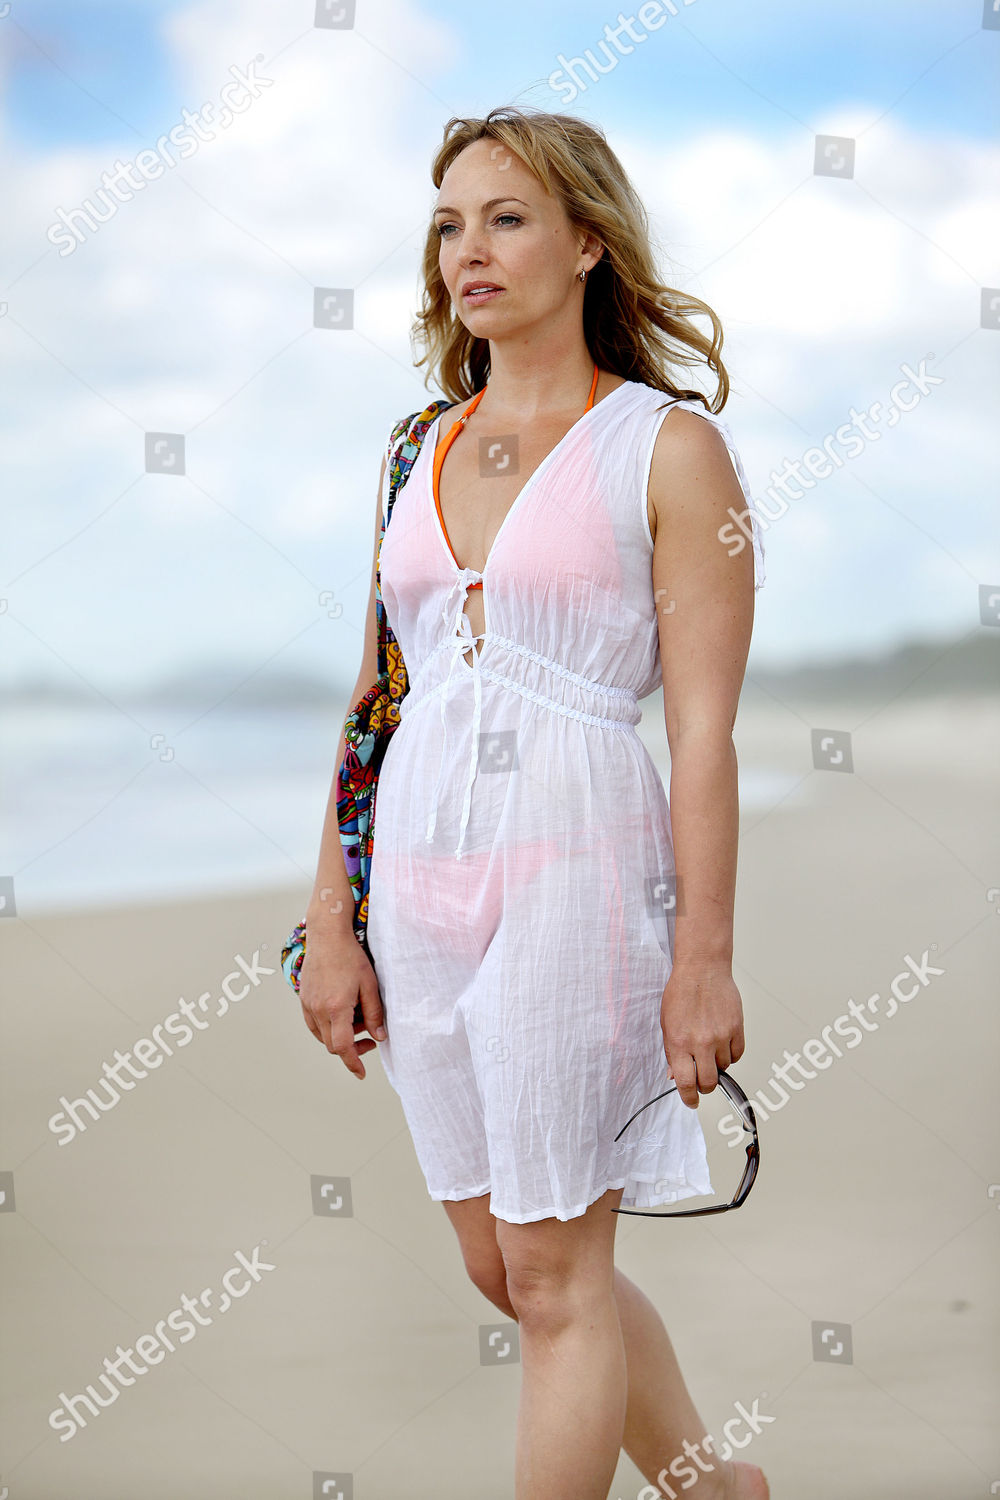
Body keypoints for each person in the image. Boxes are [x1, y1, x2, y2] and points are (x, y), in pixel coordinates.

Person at [298, 105, 769, 1500]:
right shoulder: (414, 447)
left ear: (586, 242)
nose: (468, 251)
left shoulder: (666, 450)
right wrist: (332, 918)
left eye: (505, 218)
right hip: (424, 894)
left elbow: (702, 734)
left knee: (562, 1275)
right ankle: (710, 1488)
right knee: (509, 1267)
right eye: (449, 223)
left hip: (577, 873)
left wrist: (704, 961)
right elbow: (376, 700)